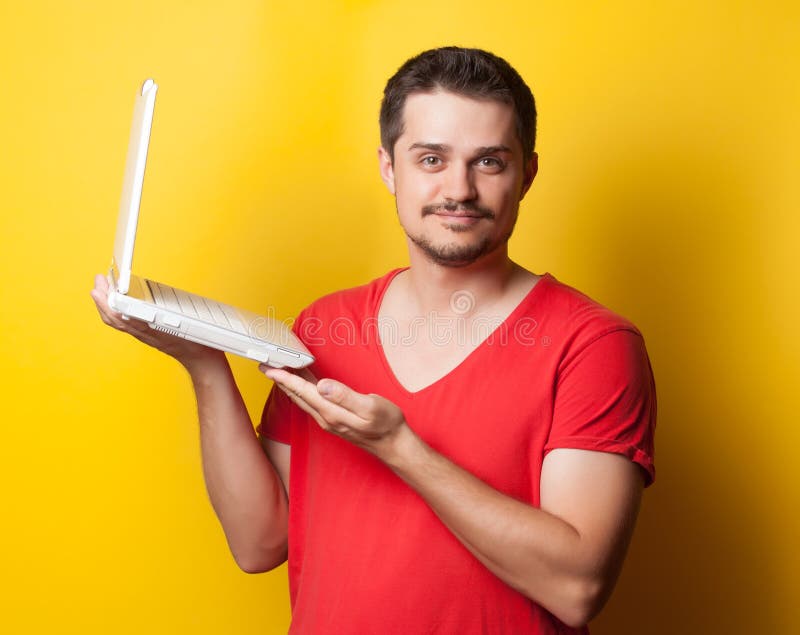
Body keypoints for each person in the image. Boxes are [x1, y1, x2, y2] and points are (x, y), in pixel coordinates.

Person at [92, 47, 656, 634]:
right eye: (431, 159)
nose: (458, 189)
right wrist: (205, 363)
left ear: (528, 173)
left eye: (488, 162)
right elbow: (259, 543)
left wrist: (400, 449)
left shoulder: (593, 345)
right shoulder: (323, 328)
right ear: (389, 167)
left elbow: (578, 585)